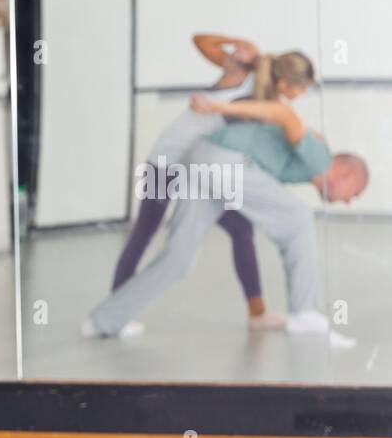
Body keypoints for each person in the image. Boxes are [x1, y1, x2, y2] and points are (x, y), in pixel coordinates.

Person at [84, 89, 368, 343]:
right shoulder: (321, 157)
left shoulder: (306, 157)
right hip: (222, 160)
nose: (349, 202)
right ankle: (304, 311)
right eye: (354, 193)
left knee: (179, 258)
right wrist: (222, 109)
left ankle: (104, 320)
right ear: (346, 174)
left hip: (201, 160)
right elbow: (284, 113)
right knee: (299, 220)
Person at [112, 36, 317, 333]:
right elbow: (200, 41)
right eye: (301, 89)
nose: (301, 95)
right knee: (145, 231)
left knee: (242, 228)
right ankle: (116, 310)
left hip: (202, 170)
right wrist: (239, 43)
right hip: (166, 160)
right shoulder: (240, 75)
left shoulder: (268, 102)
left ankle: (257, 313)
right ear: (286, 84)